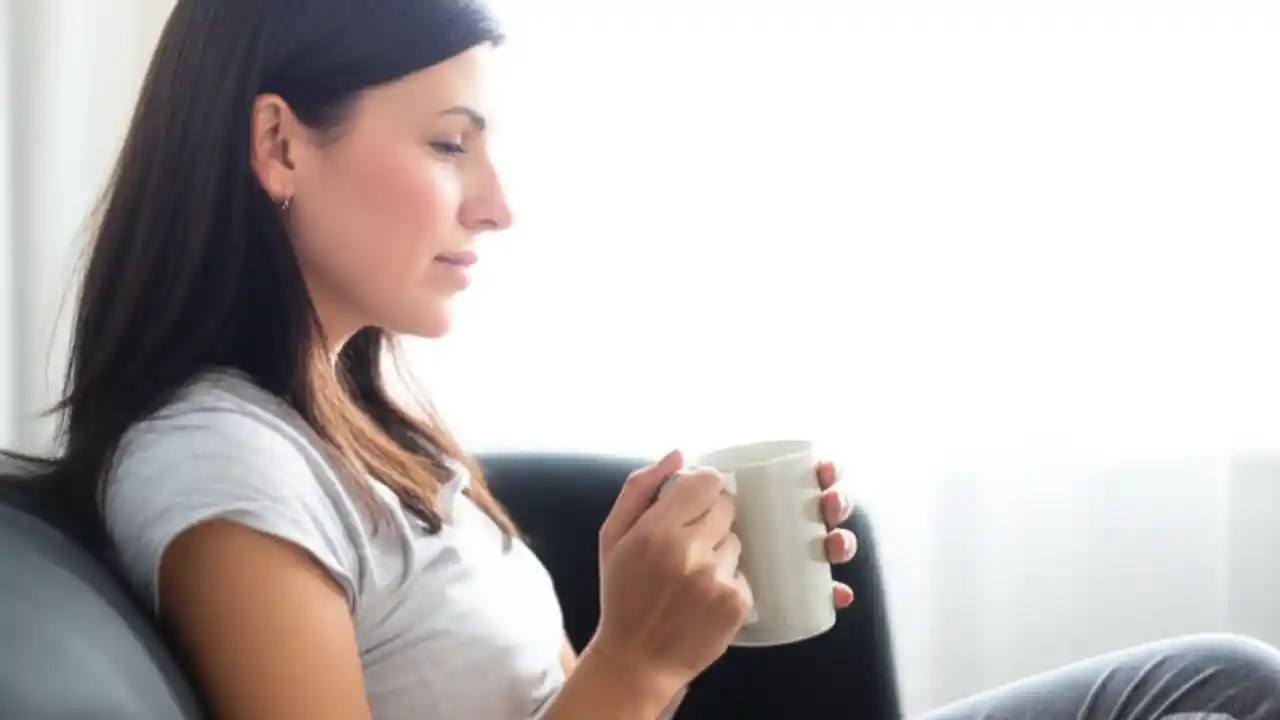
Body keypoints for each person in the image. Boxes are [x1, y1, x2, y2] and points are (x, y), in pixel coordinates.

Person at [4, 1, 1277, 718]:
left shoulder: (348, 410)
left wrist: (669, 605)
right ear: (279, 147)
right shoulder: (223, 470)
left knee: (1214, 679)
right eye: (450, 144)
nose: (497, 204)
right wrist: (636, 658)